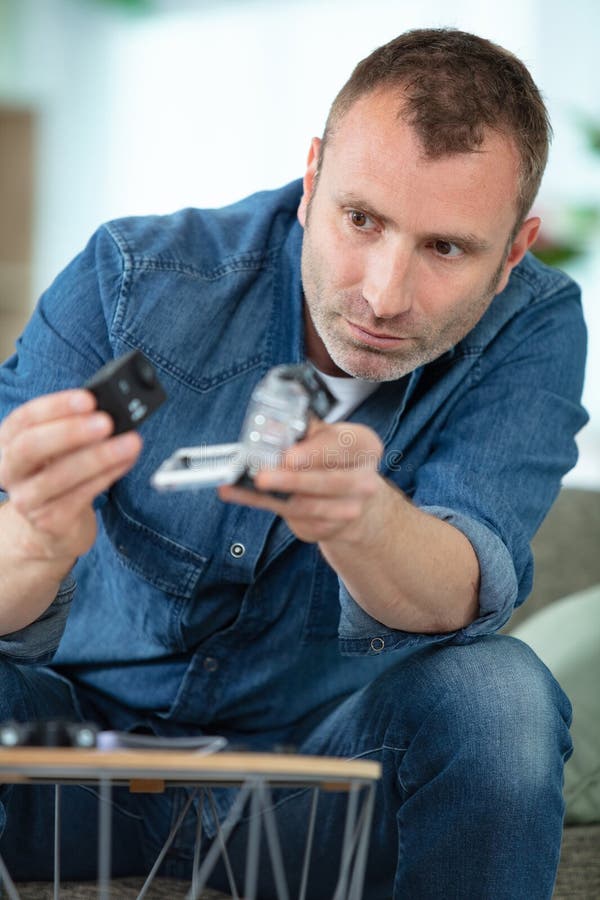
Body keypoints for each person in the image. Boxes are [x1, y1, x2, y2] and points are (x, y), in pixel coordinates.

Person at [0, 27, 588, 899]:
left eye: (445, 248)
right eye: (362, 219)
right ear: (312, 181)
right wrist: (34, 541)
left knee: (501, 696)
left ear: (513, 253)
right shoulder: (134, 281)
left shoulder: (533, 328)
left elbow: (459, 594)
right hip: (68, 763)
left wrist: (367, 521)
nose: (383, 295)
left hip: (314, 794)